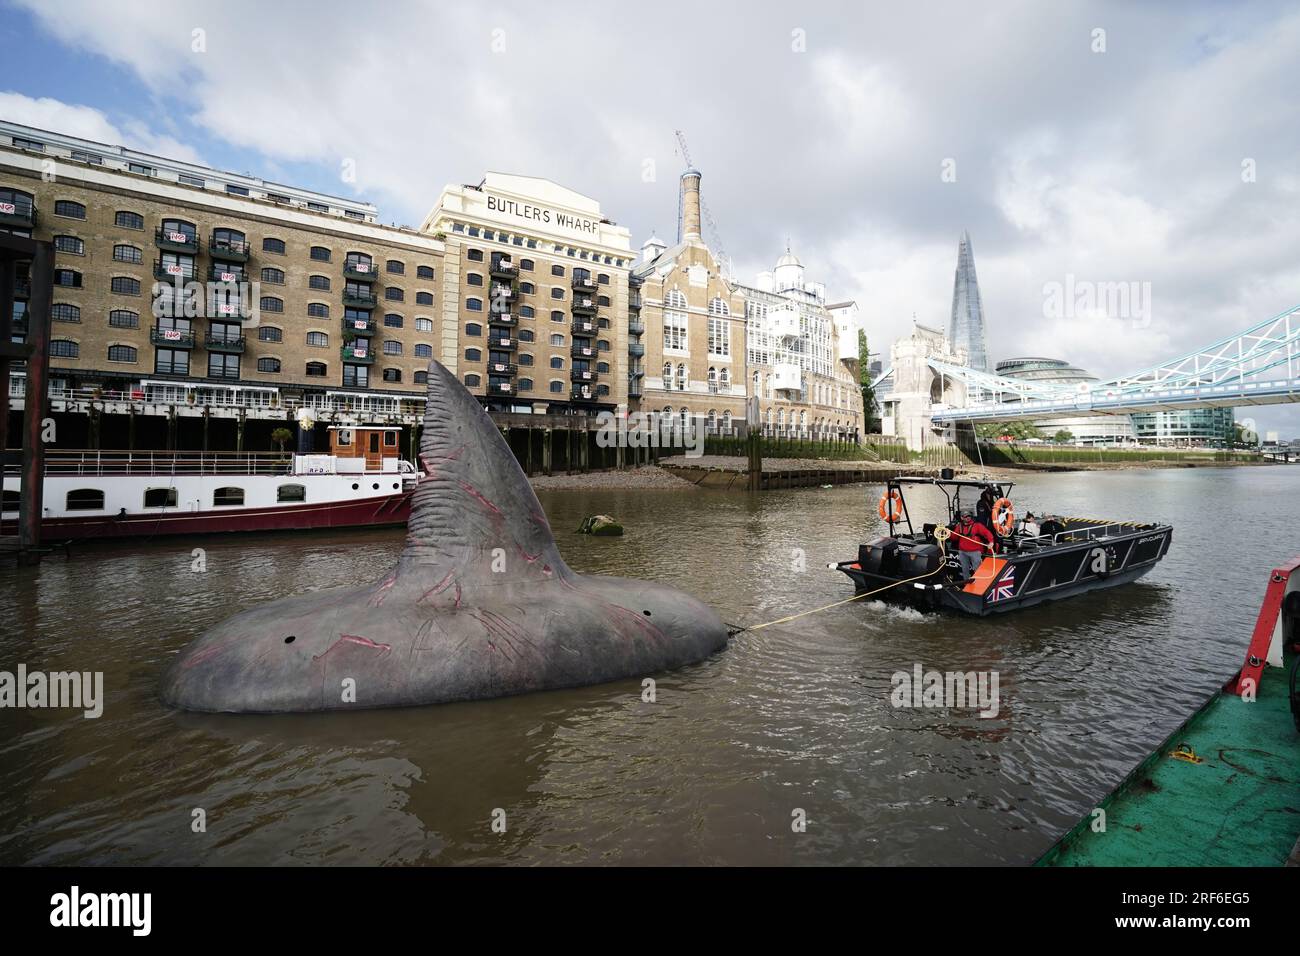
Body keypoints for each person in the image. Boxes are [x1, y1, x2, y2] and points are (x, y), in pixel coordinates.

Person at [949, 509, 995, 580]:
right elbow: (954, 538)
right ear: (961, 518)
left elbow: (987, 533)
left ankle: (979, 585)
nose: (967, 517)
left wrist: (991, 542)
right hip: (963, 552)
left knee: (977, 571)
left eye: (969, 516)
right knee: (965, 571)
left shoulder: (977, 526)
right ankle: (966, 584)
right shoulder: (959, 526)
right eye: (965, 516)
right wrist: (947, 533)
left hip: (975, 552)